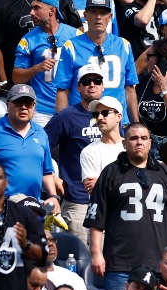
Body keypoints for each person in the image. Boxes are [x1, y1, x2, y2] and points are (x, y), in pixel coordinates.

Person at [87, 123, 167, 290]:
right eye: (133, 138)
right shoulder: (111, 173)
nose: (139, 142)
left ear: (150, 143)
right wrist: (96, 254)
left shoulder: (166, 174)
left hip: (159, 265)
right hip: (120, 264)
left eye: (143, 138)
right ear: (124, 143)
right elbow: (96, 219)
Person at [0, 84, 61, 213]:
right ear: (8, 105)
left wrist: (53, 196)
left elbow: (46, 171)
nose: (24, 107)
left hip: (33, 208)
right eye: (19, 102)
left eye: (28, 103)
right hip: (1, 207)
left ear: (34, 106)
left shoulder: (41, 133)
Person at [45, 64, 106, 241]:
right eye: (86, 81)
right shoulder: (66, 116)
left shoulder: (112, 114)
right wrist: (52, 175)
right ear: (78, 87)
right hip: (78, 201)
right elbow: (40, 147)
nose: (92, 84)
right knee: (81, 260)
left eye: (97, 81)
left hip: (110, 201)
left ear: (103, 86)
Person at [53, 0, 140, 123]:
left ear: (110, 17)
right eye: (93, 12)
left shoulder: (124, 46)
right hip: (82, 121)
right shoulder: (71, 46)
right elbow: (62, 89)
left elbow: (130, 89)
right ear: (85, 15)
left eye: (103, 13)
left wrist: (135, 124)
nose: (98, 17)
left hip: (117, 121)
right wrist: (63, 125)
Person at [12, 0, 80, 127]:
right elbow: (16, 78)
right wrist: (37, 68)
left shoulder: (75, 35)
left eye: (37, 8)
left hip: (72, 107)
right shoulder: (27, 40)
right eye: (31, 8)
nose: (31, 12)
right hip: (41, 111)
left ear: (52, 11)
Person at [79, 96, 126, 195]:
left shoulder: (131, 147)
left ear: (119, 116)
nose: (99, 118)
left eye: (105, 113)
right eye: (96, 114)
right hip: (102, 210)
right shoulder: (89, 151)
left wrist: (102, 182)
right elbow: (93, 190)